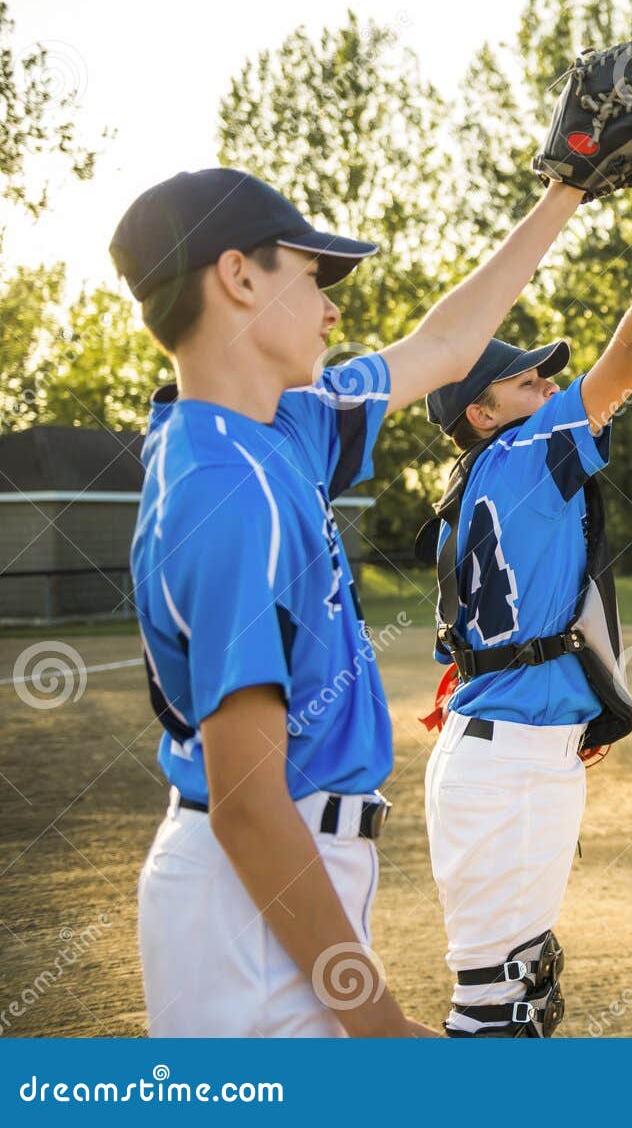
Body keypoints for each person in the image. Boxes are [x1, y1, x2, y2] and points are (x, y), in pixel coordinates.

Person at [115, 165, 584, 1036]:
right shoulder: (225, 486)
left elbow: (446, 346)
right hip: (251, 899)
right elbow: (249, 799)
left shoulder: (281, 426)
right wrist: (378, 1026)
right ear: (238, 275)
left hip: (282, 883)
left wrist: (568, 188)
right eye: (312, 276)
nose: (333, 308)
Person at [419, 125, 632, 1037]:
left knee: (523, 1001)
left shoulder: (485, 477)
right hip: (502, 767)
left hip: (519, 754)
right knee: (497, 1016)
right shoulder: (523, 454)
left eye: (544, 380)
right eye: (525, 380)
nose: (547, 386)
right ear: (479, 410)